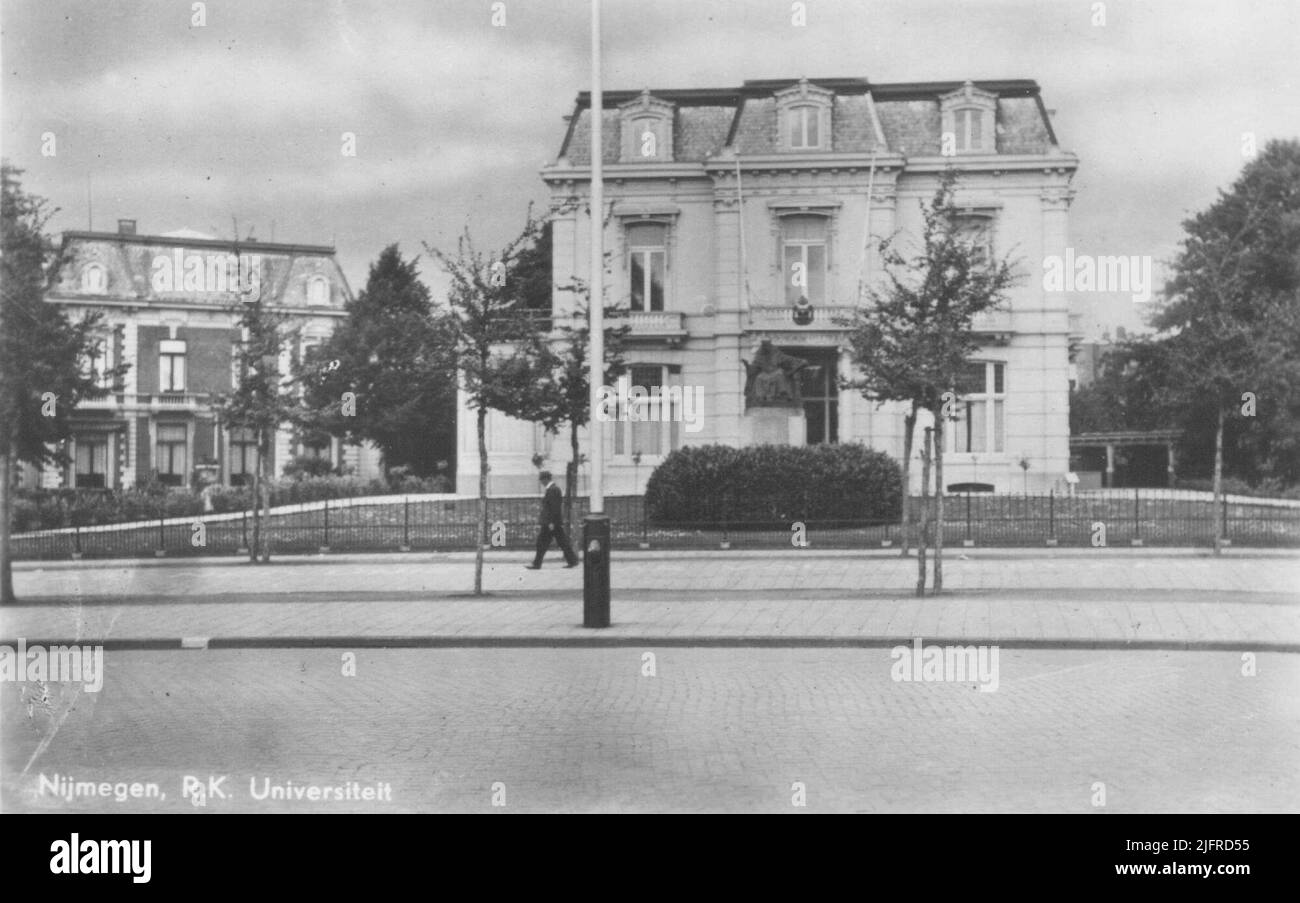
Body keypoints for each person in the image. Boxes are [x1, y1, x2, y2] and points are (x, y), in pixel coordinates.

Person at [526, 471, 578, 569]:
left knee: (541, 543)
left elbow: (554, 508)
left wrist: (551, 522)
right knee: (562, 542)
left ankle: (537, 564)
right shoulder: (553, 489)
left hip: (550, 523)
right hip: (553, 522)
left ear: (546, 479)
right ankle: (572, 560)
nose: (541, 482)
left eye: (541, 480)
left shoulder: (553, 490)